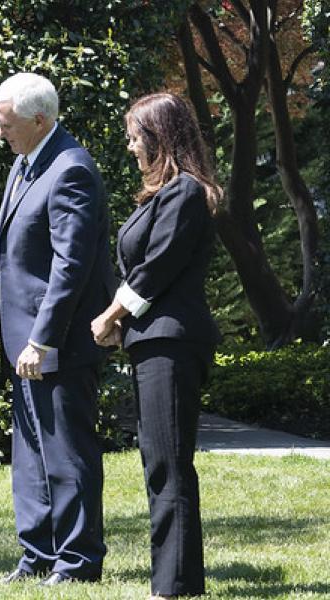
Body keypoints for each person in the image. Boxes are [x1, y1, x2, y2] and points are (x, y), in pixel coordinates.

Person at [0, 73, 114, 585]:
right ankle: (37, 554)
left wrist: (42, 339)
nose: (0, 133)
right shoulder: (25, 161)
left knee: (66, 453)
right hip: (21, 335)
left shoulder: (70, 168)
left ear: (39, 120)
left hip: (58, 340)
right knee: (31, 455)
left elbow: (70, 266)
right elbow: (11, 251)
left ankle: (77, 561)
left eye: (6, 124)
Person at [90, 92, 222, 599]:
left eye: (135, 137)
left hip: (172, 342)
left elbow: (156, 268)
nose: (130, 147)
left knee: (169, 463)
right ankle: (173, 581)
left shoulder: (185, 192)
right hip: (153, 341)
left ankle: (175, 586)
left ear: (159, 136)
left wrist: (112, 316)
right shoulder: (164, 194)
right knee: (159, 461)